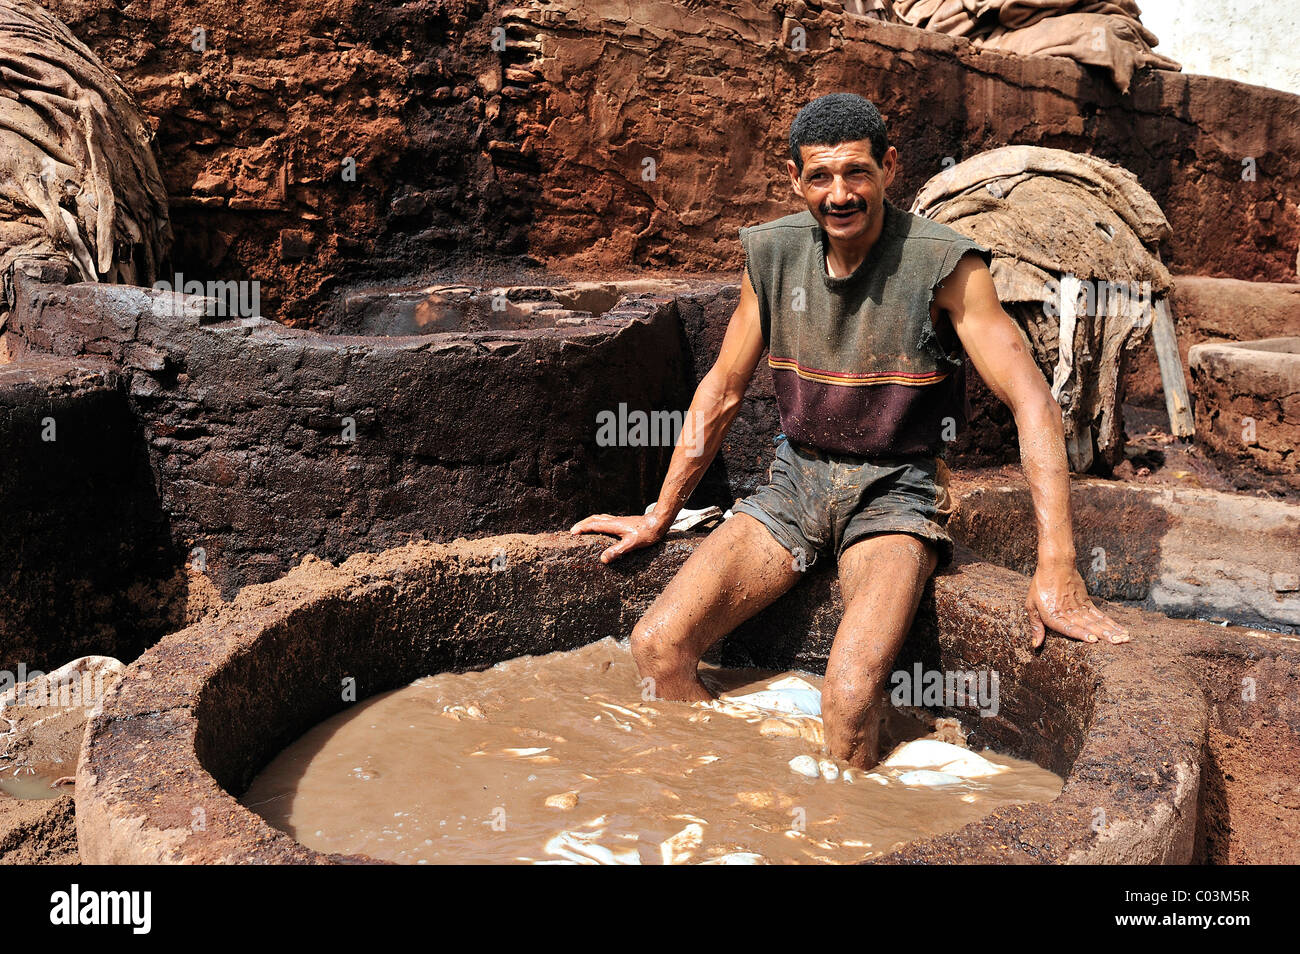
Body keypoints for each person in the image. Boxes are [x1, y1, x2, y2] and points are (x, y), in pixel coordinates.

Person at [571, 92, 1129, 769]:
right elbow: (721, 390)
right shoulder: (773, 255)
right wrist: (660, 513)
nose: (840, 193)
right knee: (658, 647)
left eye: (857, 172)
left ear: (889, 167)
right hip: (794, 486)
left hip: (895, 494)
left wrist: (1057, 567)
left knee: (851, 698)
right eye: (821, 176)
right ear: (795, 179)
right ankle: (724, 798)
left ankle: (852, 817)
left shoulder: (945, 264)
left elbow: (1033, 404)